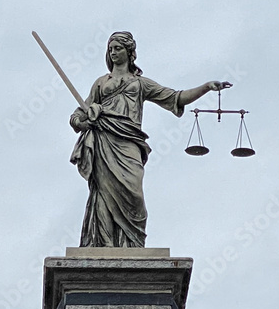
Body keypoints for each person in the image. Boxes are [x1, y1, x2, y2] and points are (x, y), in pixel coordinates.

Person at [70, 31, 230, 248]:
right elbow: (77, 116)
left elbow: (175, 97)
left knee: (134, 196)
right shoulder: (100, 83)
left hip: (129, 143)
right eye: (110, 49)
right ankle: (104, 245)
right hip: (103, 140)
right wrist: (83, 122)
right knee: (103, 194)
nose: (113, 52)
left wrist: (205, 87)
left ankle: (132, 244)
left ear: (129, 52)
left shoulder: (141, 83)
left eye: (118, 48)